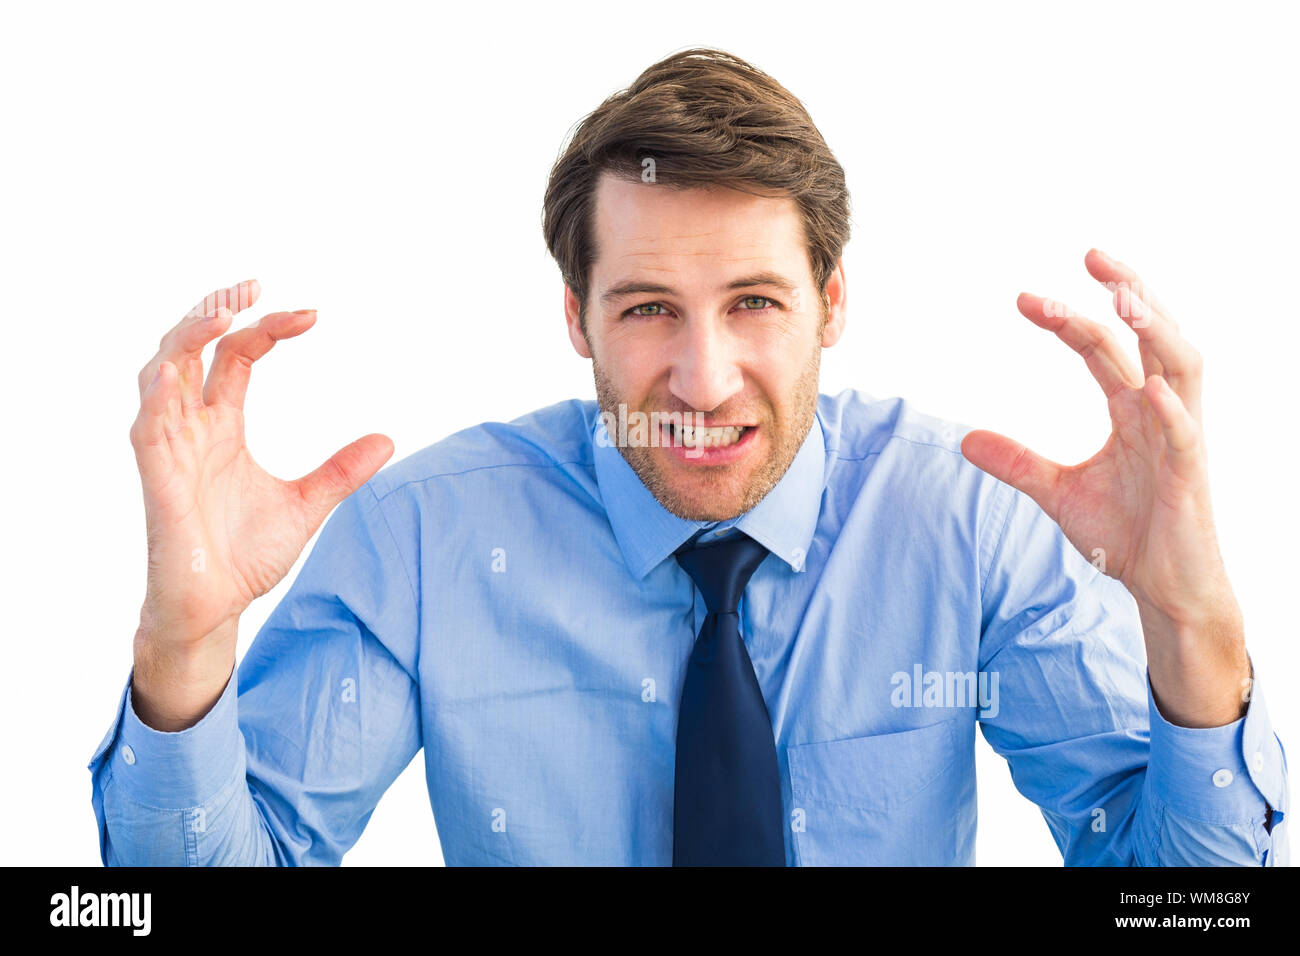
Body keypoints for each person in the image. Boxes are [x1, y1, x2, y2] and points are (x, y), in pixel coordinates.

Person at [89, 47, 1287, 866]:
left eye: (755, 302)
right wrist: (183, 644)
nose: (703, 380)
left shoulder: (966, 521)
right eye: (649, 306)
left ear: (831, 303)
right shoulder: (426, 539)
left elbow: (1178, 898)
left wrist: (1196, 627)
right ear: (577, 317)